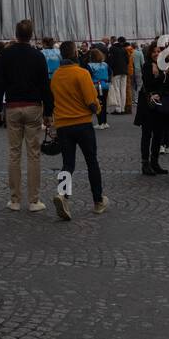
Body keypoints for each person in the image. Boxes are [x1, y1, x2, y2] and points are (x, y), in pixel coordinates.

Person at [0, 18, 53, 211]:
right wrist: (49, 111)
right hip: (33, 106)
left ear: (16, 34)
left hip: (12, 106)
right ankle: (34, 200)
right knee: (34, 154)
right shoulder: (38, 56)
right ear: (31, 35)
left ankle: (15, 199)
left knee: (14, 153)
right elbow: (45, 85)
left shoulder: (6, 55)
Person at [49, 40, 108, 220]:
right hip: (82, 123)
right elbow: (91, 102)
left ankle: (63, 195)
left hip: (63, 125)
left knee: (68, 164)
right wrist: (98, 107)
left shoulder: (56, 76)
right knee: (92, 162)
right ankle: (98, 201)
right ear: (75, 54)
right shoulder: (81, 73)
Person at [135, 39, 169, 175]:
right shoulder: (147, 66)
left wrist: (160, 75)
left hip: (159, 103)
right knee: (146, 134)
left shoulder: (164, 65)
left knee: (158, 134)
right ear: (150, 53)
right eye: (154, 52)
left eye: (158, 51)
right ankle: (145, 163)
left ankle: (155, 162)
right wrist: (162, 75)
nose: (156, 53)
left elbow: (165, 85)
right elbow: (149, 83)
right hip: (147, 104)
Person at [85, 44, 110, 129]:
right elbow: (110, 73)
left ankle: (100, 123)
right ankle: (105, 122)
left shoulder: (90, 65)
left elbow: (89, 76)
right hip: (105, 85)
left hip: (96, 85)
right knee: (104, 104)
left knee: (98, 104)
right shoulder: (105, 64)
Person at [106, 37, 130, 115]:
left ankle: (118, 109)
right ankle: (123, 108)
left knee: (117, 89)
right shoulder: (124, 49)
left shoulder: (112, 48)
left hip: (116, 72)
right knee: (123, 90)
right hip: (124, 71)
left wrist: (111, 70)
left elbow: (110, 61)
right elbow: (127, 60)